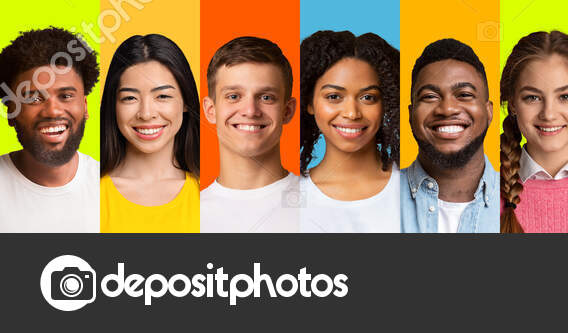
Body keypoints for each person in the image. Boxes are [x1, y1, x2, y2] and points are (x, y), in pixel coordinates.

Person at [297, 31, 404, 233]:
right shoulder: (289, 196)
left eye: (368, 98)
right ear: (309, 103)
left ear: (386, 104)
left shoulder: (417, 190)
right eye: (334, 96)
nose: (352, 113)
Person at [499, 31, 568, 233]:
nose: (549, 114)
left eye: (565, 96)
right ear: (512, 103)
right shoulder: (484, 193)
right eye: (532, 98)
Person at [0, 27, 100, 232]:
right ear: (11, 111)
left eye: (66, 96)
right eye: (33, 98)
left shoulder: (113, 188)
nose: (53, 111)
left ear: (86, 107)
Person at [99, 34, 202, 232]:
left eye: (163, 96)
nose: (146, 114)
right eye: (129, 98)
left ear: (186, 102)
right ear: (114, 106)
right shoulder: (87, 196)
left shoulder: (210, 195)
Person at [199, 36, 302, 232]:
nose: (250, 110)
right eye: (234, 96)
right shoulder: (186, 219)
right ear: (210, 110)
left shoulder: (322, 205)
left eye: (266, 97)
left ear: (287, 111)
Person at [399, 38, 499, 233]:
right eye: (429, 97)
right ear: (411, 114)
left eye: (464, 94)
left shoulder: (519, 199)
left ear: (489, 112)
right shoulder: (375, 199)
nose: (447, 109)